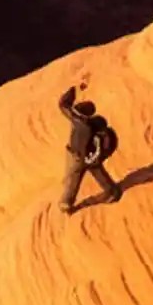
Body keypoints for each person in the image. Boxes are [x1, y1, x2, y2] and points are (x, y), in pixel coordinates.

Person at [58, 81, 122, 215]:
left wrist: (73, 89)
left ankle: (66, 204)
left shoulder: (79, 123)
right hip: (90, 156)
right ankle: (112, 192)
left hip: (78, 156)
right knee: (98, 173)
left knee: (72, 179)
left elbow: (63, 105)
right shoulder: (92, 125)